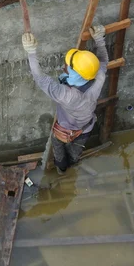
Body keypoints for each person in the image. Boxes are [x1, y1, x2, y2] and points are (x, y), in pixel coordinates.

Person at [21, 25, 108, 173]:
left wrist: (31, 51)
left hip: (66, 131)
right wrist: (99, 39)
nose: (65, 65)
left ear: (74, 73)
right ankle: (72, 166)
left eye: (68, 65)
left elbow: (40, 78)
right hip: (86, 128)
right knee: (75, 155)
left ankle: (62, 171)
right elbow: (103, 62)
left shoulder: (67, 95)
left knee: (59, 151)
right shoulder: (98, 78)